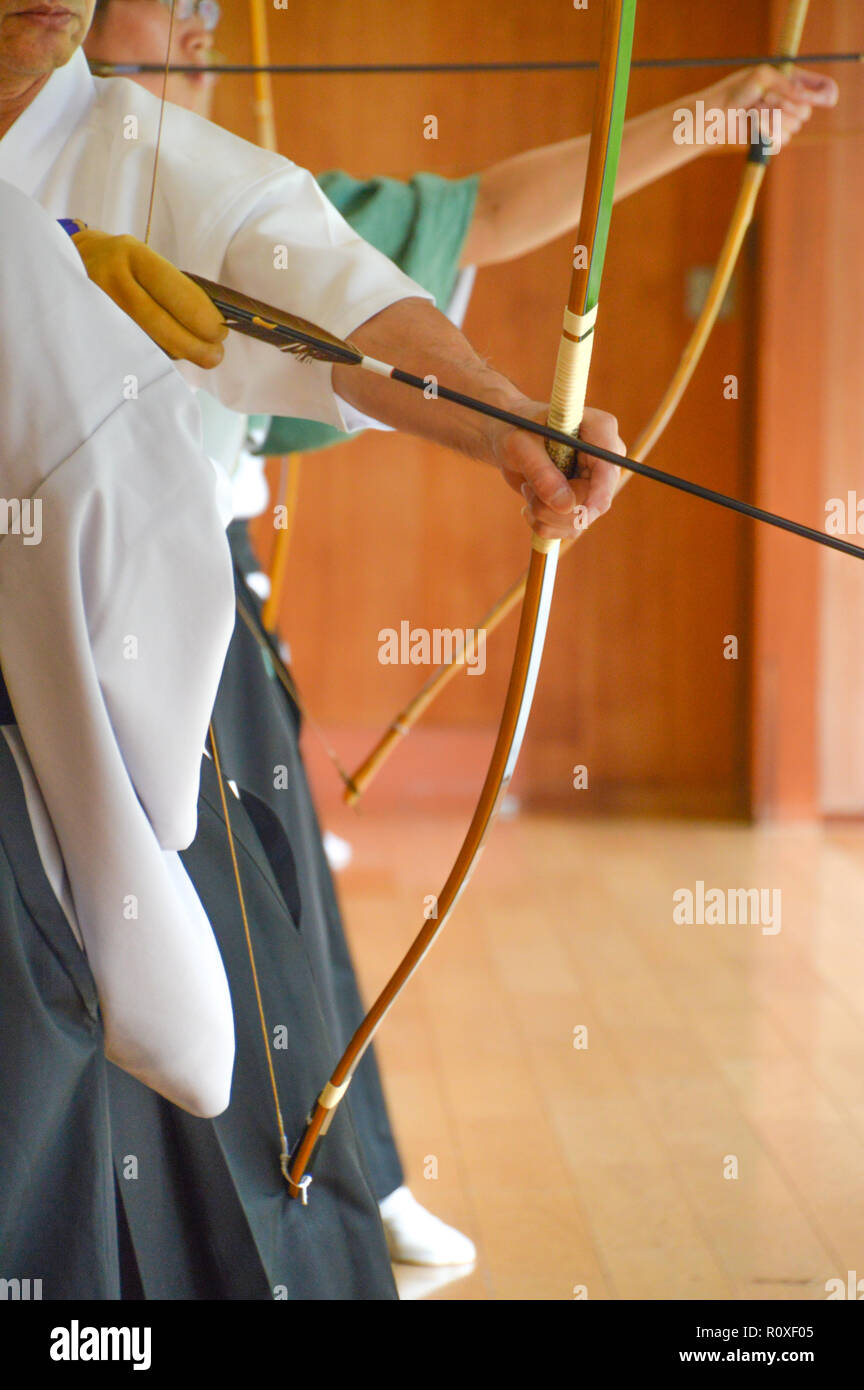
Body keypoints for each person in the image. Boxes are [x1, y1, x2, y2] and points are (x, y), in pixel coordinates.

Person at [82, 0, 841, 1273]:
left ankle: (348, 1177)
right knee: (217, 933)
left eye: (215, 10)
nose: (203, 32)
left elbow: (479, 215)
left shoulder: (250, 197)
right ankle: (295, 1207)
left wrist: (707, 121)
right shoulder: (61, 163)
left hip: (203, 596)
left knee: (278, 915)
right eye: (170, 11)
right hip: (101, 615)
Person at [0, 0, 626, 1298]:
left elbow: (327, 295)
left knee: (198, 1068)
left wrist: (499, 414)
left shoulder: (137, 146)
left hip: (108, 686)